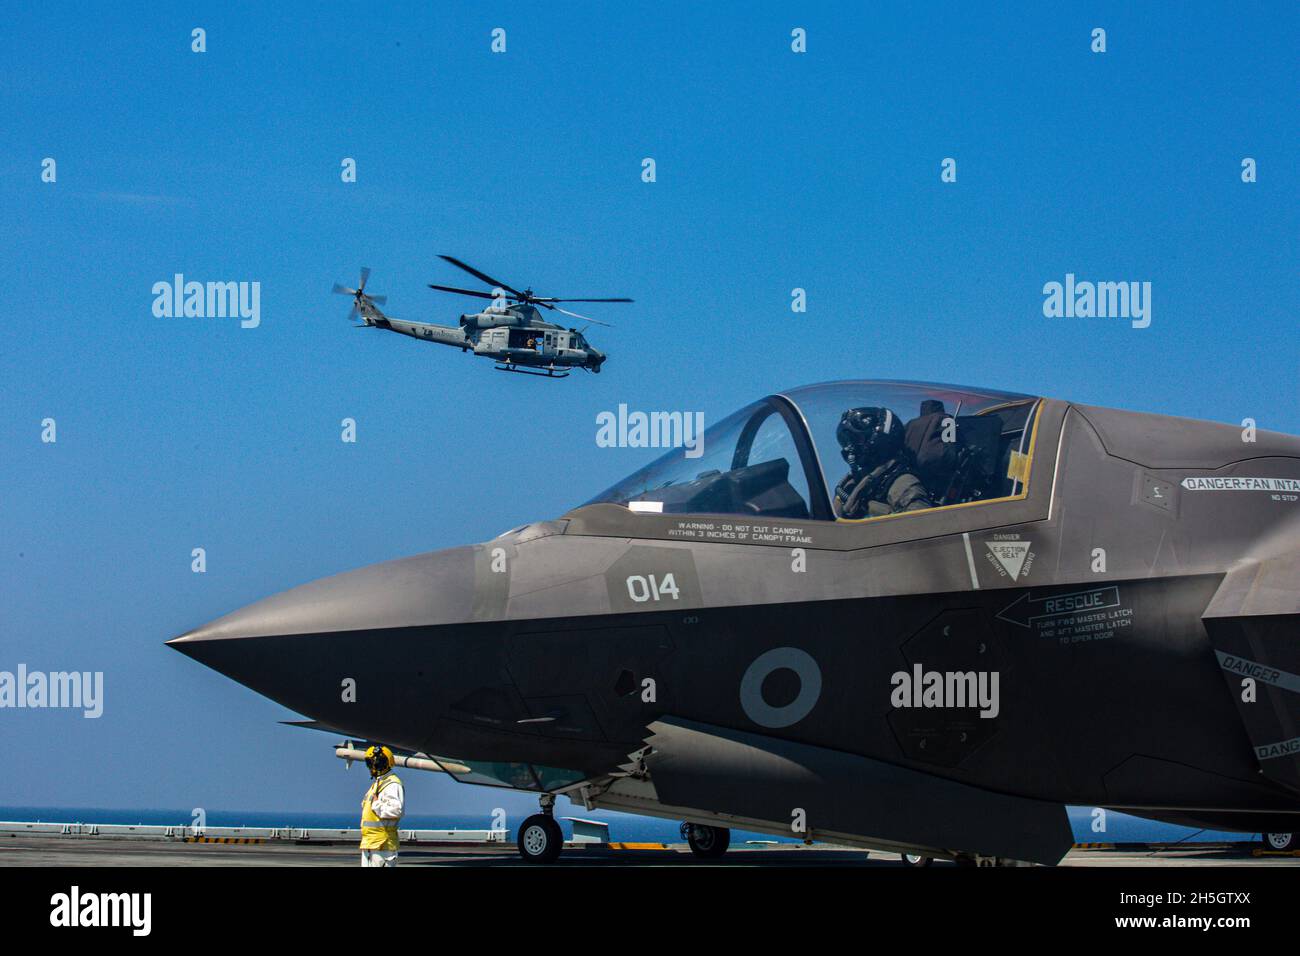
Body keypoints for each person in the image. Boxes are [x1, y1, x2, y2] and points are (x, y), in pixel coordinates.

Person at [832, 406, 934, 518]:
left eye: (856, 440)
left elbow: (922, 525)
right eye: (847, 442)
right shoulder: (852, 484)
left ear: (879, 439)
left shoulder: (903, 484)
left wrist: (868, 509)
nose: (850, 449)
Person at [359, 745, 404, 867]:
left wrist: (377, 804)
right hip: (371, 844)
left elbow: (396, 810)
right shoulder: (379, 783)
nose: (370, 767)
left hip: (382, 845)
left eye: (371, 763)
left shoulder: (392, 784)